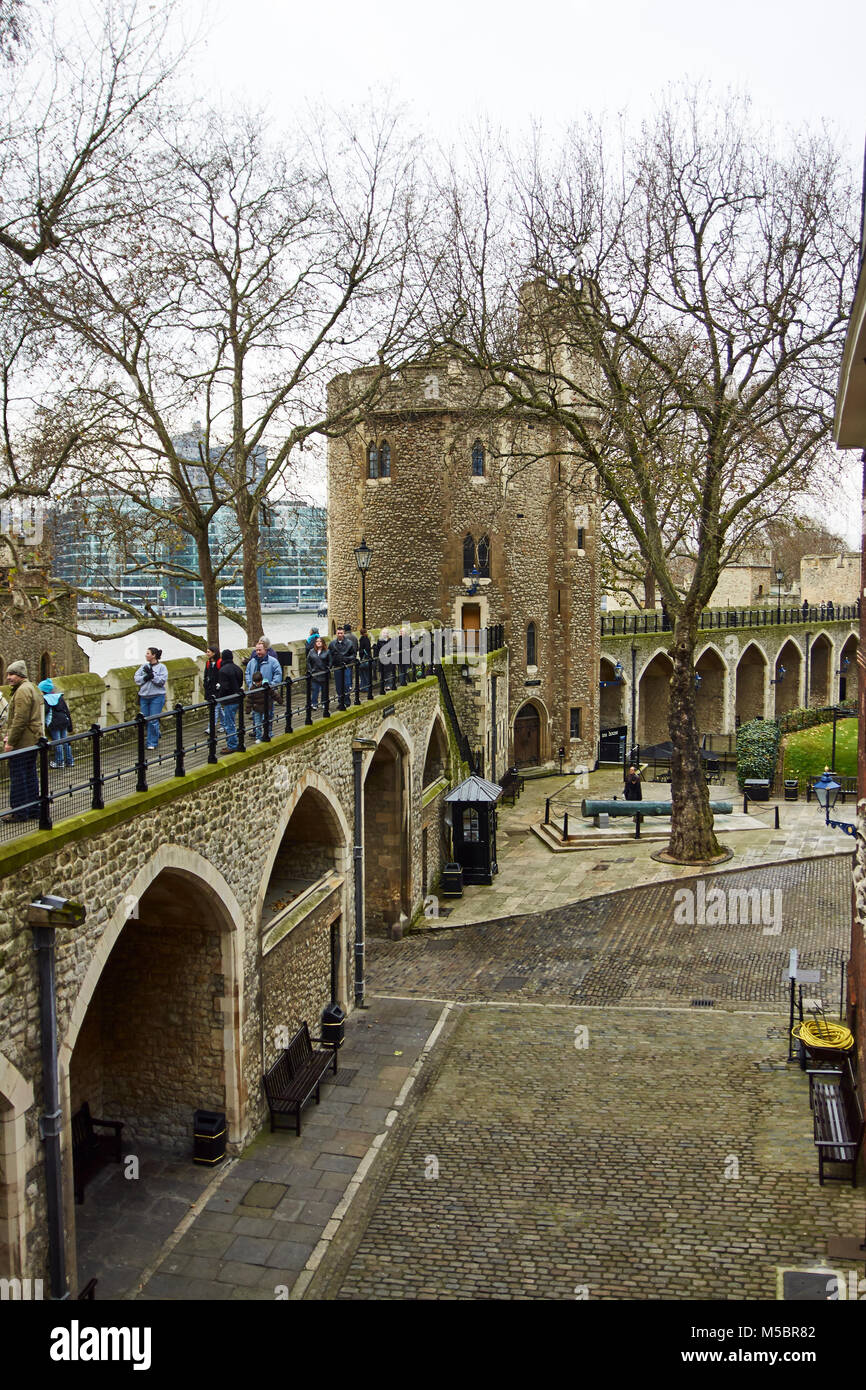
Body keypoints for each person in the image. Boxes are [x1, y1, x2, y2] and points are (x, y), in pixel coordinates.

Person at [3, 660, 42, 822]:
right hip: (32, 740)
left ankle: (20, 812)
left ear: (19, 675)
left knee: (19, 777)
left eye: (11, 674)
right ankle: (33, 809)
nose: (8, 678)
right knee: (29, 774)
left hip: (23, 742)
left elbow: (20, 719)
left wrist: (10, 741)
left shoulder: (22, 691)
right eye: (7, 674)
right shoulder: (30, 687)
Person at [134, 647, 169, 750]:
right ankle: (156, 733)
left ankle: (152, 743)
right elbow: (136, 679)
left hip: (157, 696)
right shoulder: (143, 666)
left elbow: (161, 681)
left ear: (153, 655)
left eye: (148, 653)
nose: (146, 655)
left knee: (153, 719)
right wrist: (145, 677)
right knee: (145, 719)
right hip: (144, 696)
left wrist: (152, 676)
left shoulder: (162, 667)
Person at [39, 678, 74, 768]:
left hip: (54, 723)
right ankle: (70, 761)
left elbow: (44, 711)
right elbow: (66, 711)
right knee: (65, 741)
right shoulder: (59, 697)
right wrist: (70, 726)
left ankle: (59, 762)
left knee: (57, 742)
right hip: (64, 721)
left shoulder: (45, 700)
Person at [214, 649, 244, 751]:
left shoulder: (223, 671)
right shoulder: (238, 669)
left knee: (229, 723)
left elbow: (224, 687)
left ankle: (232, 745)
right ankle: (233, 742)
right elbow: (240, 683)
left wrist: (219, 696)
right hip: (237, 698)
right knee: (233, 722)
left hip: (229, 700)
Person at [329, 625, 355, 707]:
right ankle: (341, 702)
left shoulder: (349, 643)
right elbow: (329, 655)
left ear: (343, 633)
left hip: (346, 666)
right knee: (339, 686)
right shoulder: (332, 644)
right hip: (337, 667)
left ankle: (347, 701)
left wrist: (346, 659)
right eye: (338, 633)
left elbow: (353, 655)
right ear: (336, 634)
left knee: (347, 684)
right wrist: (330, 664)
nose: (340, 635)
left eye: (341, 633)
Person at [306, 635, 330, 708]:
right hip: (315, 673)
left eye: (320, 641)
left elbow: (330, 662)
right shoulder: (311, 651)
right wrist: (310, 670)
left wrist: (327, 668)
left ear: (323, 643)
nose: (318, 643)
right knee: (315, 690)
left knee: (324, 690)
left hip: (324, 673)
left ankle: (324, 703)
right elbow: (308, 661)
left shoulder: (327, 651)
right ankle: (314, 703)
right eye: (317, 641)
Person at [245, 670, 268, 742]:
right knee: (258, 724)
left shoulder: (265, 686)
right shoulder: (252, 688)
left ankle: (267, 734)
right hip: (256, 708)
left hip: (264, 707)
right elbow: (249, 700)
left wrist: (279, 700)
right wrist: (248, 709)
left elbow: (273, 694)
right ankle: (259, 737)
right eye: (256, 682)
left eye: (259, 682)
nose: (257, 684)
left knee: (266, 721)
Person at [358, 626, 372, 693]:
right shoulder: (367, 639)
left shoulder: (363, 639)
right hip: (367, 658)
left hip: (364, 659)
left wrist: (360, 651)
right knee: (366, 673)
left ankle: (365, 687)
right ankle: (365, 686)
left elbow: (364, 649)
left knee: (363, 673)